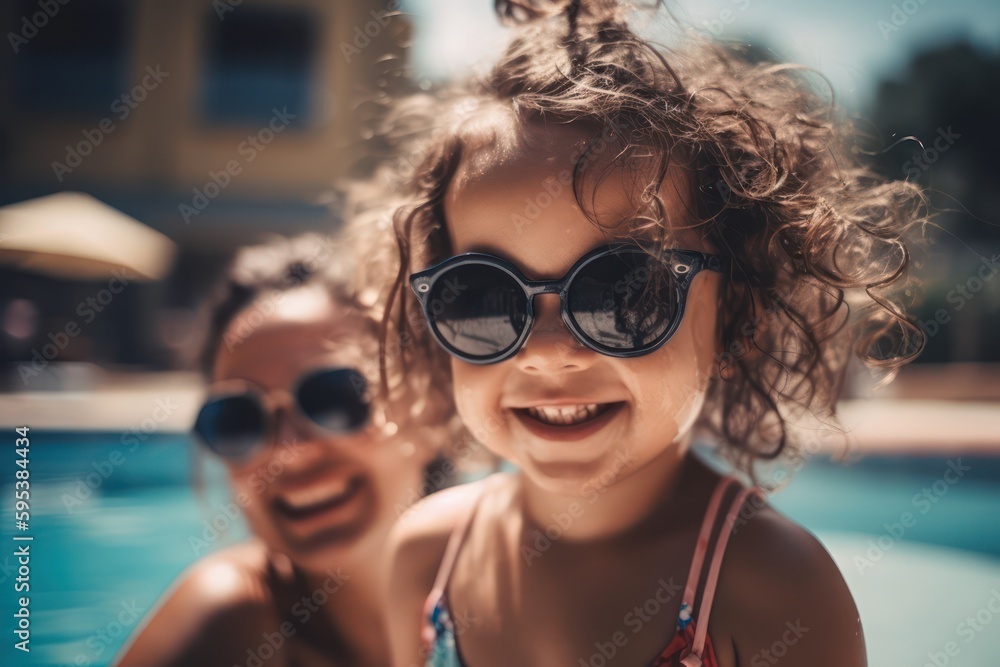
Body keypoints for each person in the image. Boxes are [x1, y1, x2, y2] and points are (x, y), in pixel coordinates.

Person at [379, 1, 927, 665]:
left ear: (735, 318)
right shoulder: (425, 557)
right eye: (482, 298)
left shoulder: (772, 589)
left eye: (624, 292)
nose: (549, 352)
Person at [115, 230, 453, 667]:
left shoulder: (529, 590)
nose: (287, 450)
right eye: (238, 419)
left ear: (429, 405)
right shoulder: (225, 623)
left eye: (335, 398)